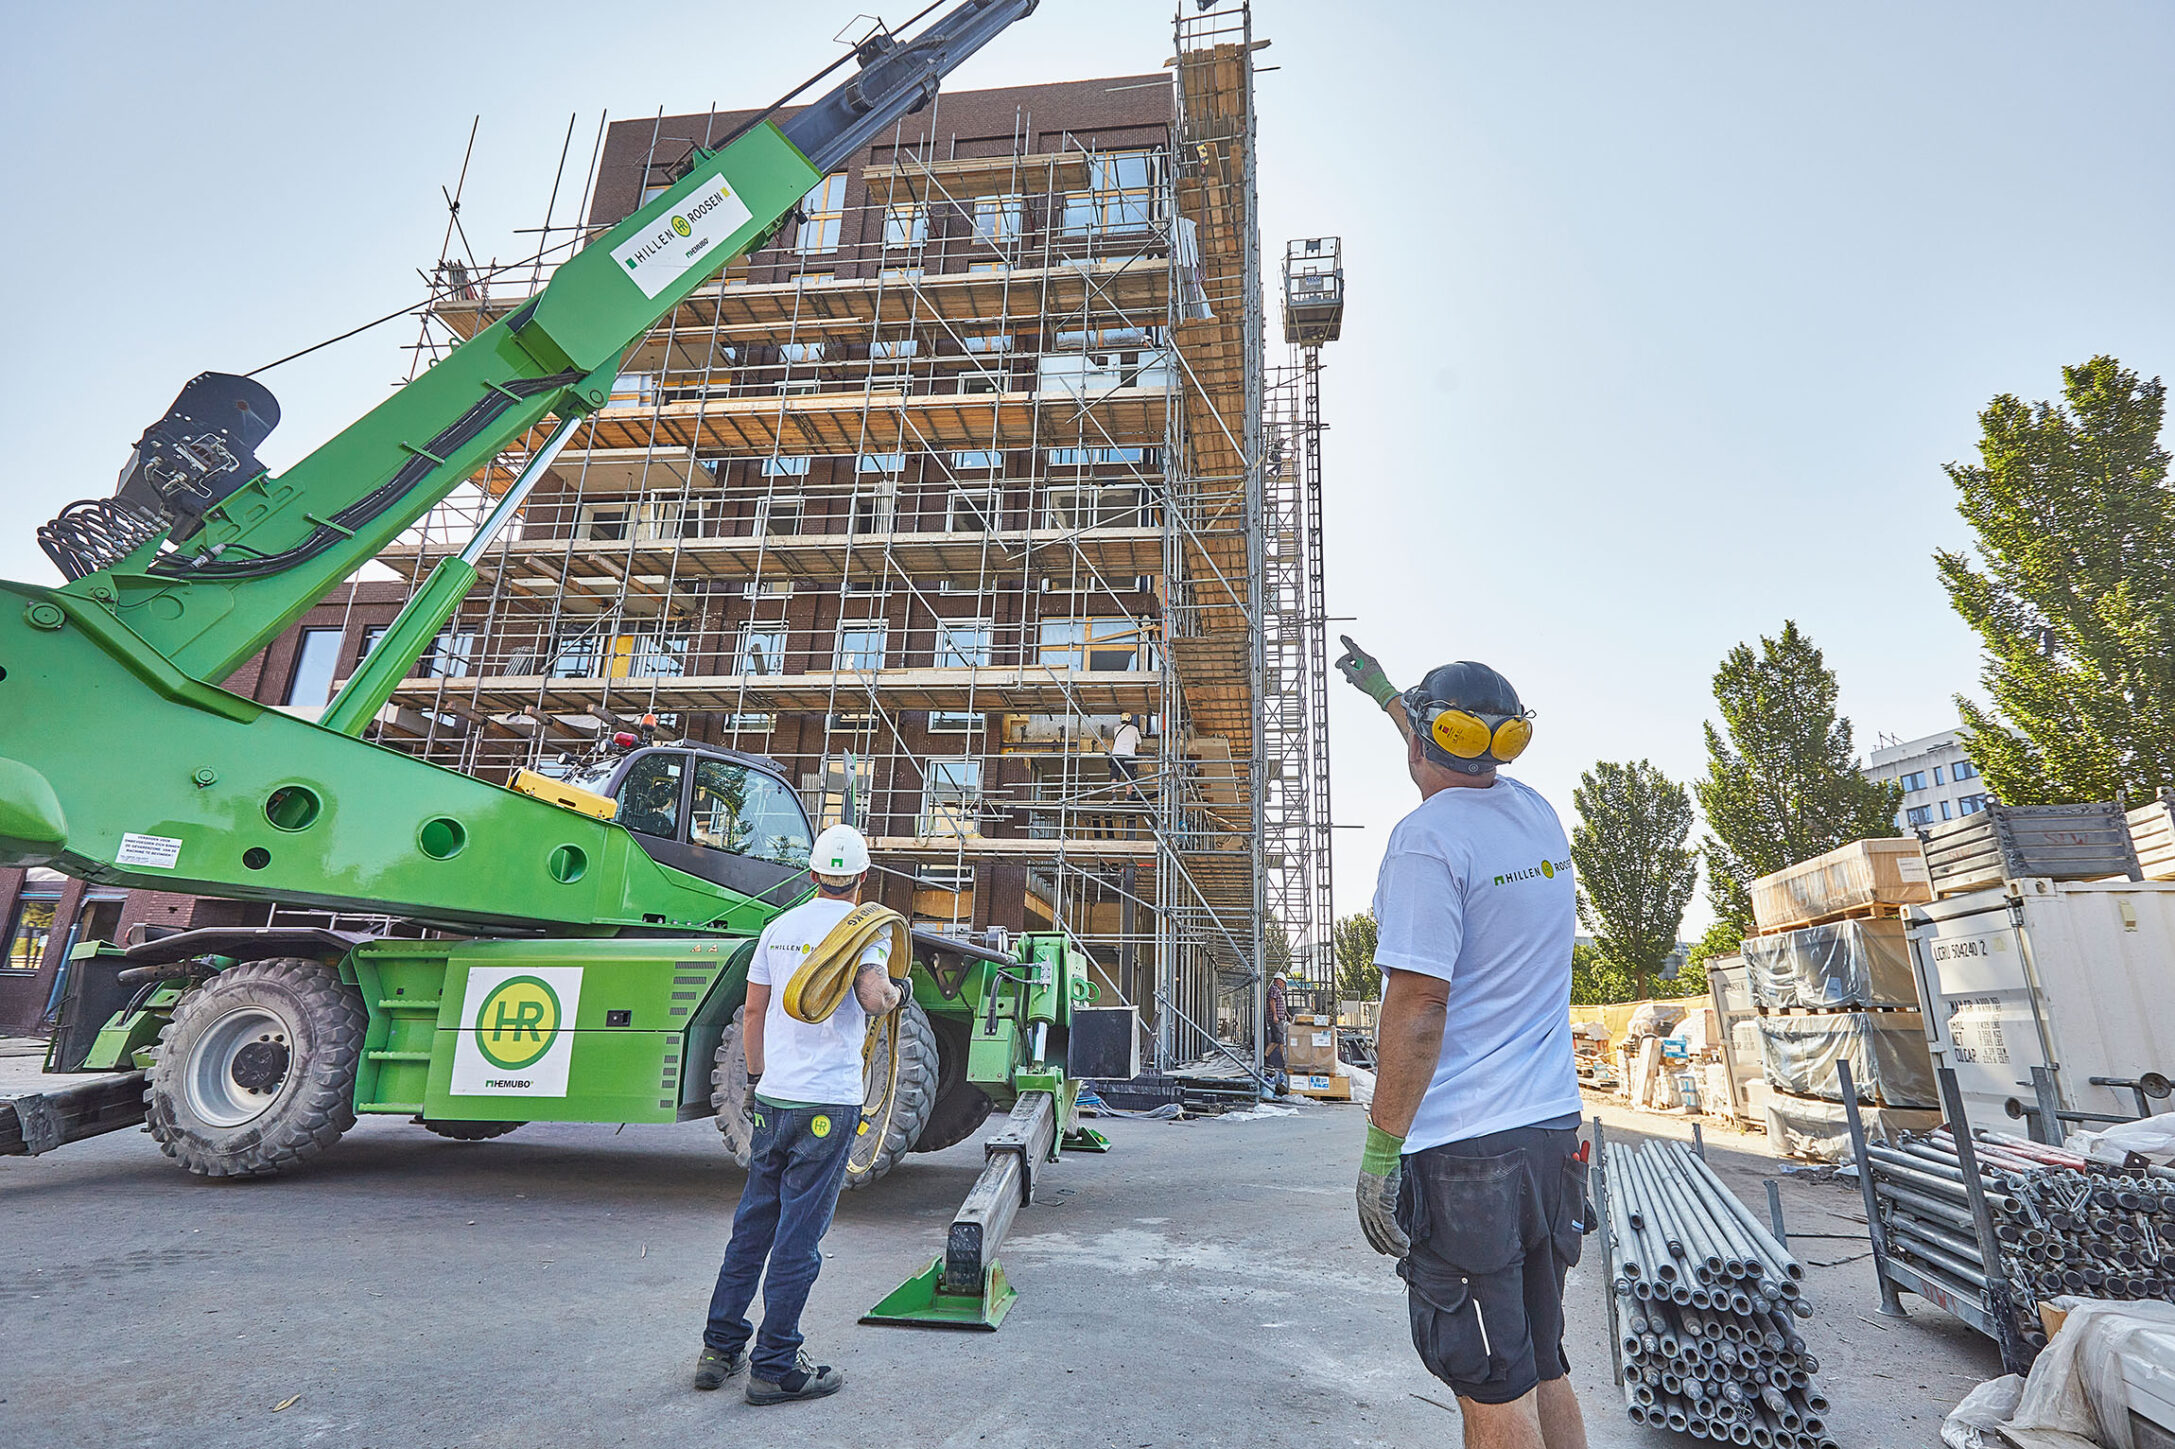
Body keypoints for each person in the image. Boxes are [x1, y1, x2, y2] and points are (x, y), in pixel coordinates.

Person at [1336, 638, 1590, 1449]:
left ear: (1423, 737)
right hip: (1550, 1137)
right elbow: (1448, 754)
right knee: (1543, 1363)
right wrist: (1384, 693)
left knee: (1486, 1384)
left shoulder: (1425, 841)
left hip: (1465, 1157)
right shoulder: (1532, 812)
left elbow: (1417, 1006)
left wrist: (1380, 1153)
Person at [695, 822, 904, 1405]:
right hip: (827, 1104)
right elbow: (871, 997)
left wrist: (759, 1080)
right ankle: (776, 1364)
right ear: (862, 878)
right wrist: (897, 994)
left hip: (775, 1099)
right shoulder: (864, 933)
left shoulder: (777, 929)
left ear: (813, 875)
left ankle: (719, 1347)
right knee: (798, 1237)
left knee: (753, 1224)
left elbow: (754, 1012)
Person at [1108, 712, 1144, 800]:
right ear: (1130, 720)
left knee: (1114, 776)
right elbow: (1139, 742)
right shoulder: (1134, 729)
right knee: (1129, 777)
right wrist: (1138, 748)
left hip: (1116, 755)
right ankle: (1127, 797)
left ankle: (1114, 795)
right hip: (1129, 756)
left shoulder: (1116, 729)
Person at [1265, 970, 1290, 1090]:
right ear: (1278, 981)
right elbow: (1272, 1002)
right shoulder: (1274, 989)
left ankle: (1265, 1057)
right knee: (1280, 1040)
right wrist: (1275, 1015)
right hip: (1276, 1019)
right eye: (1283, 983)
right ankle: (1285, 1062)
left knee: (1275, 1040)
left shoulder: (1278, 990)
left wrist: (1287, 1015)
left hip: (1279, 1017)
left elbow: (1281, 1005)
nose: (1283, 985)